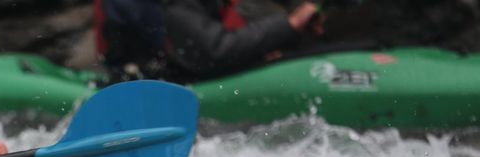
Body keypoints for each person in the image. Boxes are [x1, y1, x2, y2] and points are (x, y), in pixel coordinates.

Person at [97, 0, 325, 83]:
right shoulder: (173, 7)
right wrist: (289, 25)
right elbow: (212, 51)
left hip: (186, 66)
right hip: (150, 81)